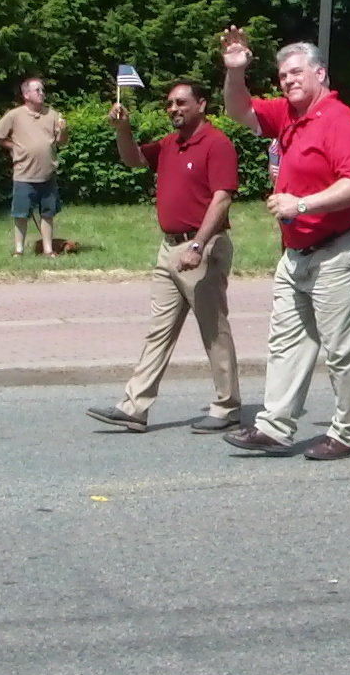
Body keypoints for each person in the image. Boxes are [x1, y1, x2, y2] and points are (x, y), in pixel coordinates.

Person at [220, 31, 350, 461]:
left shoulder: (339, 119)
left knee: (345, 347)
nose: (288, 81)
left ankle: (348, 433)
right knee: (286, 341)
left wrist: (301, 203)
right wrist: (236, 72)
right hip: (298, 251)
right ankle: (275, 426)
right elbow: (238, 110)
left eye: (296, 72)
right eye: (282, 75)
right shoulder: (290, 115)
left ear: (320, 73)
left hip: (341, 246)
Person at [86, 82, 242, 434]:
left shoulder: (217, 144)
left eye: (181, 102)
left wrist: (198, 246)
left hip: (202, 248)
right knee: (158, 331)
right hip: (168, 248)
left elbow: (221, 199)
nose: (174, 108)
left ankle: (227, 406)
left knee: (213, 330)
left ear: (202, 104)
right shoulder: (171, 143)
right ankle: (134, 407)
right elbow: (134, 160)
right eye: (170, 103)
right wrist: (123, 129)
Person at [0, 78, 68, 258]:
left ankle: (48, 250)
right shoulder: (15, 115)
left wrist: (64, 131)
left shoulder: (53, 114)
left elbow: (61, 142)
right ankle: (19, 250)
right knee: (21, 215)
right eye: (37, 90)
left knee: (48, 214)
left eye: (42, 90)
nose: (41, 93)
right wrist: (14, 147)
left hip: (47, 174)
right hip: (24, 175)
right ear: (26, 95)